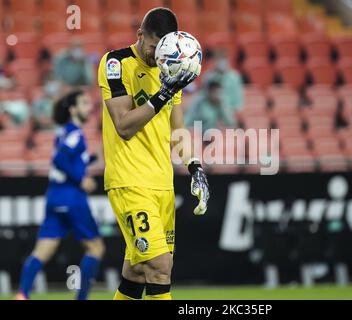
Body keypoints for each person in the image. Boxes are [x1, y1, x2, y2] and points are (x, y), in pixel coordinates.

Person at [98, 7, 210, 300]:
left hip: (162, 184)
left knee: (135, 273)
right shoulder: (116, 63)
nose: (156, 55)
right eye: (152, 47)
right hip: (130, 181)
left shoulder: (169, 67)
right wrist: (162, 94)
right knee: (160, 268)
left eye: (161, 49)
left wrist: (195, 165)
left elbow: (178, 130)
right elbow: (123, 126)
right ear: (140, 35)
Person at [15, 90, 105, 300]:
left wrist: (92, 158)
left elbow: (69, 160)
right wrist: (81, 179)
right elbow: (60, 160)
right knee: (96, 248)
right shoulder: (74, 133)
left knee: (42, 250)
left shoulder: (63, 132)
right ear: (73, 109)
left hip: (54, 197)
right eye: (83, 103)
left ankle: (22, 294)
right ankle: (81, 298)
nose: (89, 107)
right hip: (72, 198)